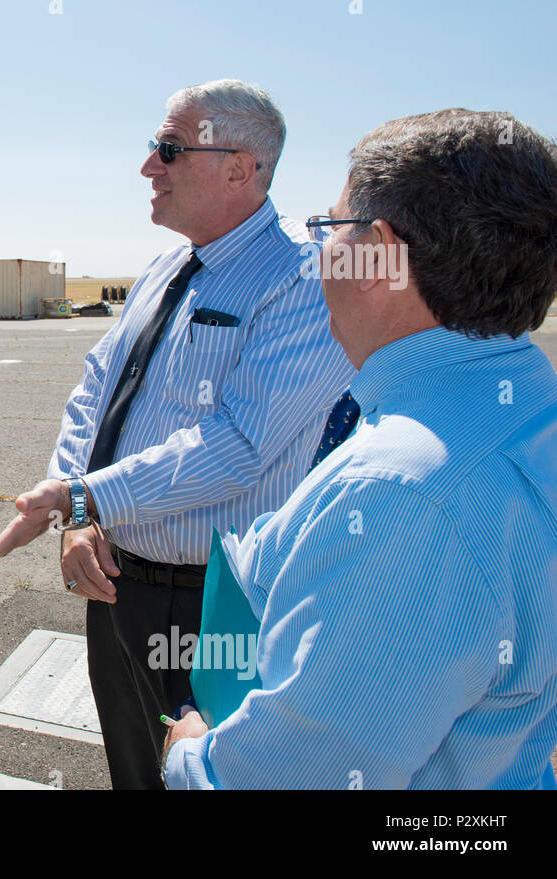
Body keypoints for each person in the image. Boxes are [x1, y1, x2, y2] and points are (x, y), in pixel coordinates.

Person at [0, 79, 353, 788]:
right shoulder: (165, 267)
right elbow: (95, 391)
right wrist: (77, 515)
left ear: (240, 167)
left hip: (217, 607)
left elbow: (239, 445)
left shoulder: (302, 276)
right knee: (134, 774)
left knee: (213, 779)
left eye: (169, 149)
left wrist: (82, 496)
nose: (148, 167)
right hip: (117, 593)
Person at [163, 109, 557, 789]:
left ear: (375, 253)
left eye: (329, 228)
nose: (319, 253)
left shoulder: (403, 494)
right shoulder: (524, 401)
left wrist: (189, 755)